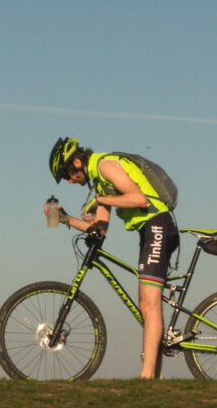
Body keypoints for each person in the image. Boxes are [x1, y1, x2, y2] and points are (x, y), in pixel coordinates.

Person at [47, 137, 179, 379]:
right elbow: (100, 229)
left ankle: (147, 377)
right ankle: (153, 377)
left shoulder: (105, 166)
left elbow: (138, 199)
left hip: (158, 225)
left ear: (77, 161)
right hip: (148, 230)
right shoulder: (100, 184)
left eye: (67, 172)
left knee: (149, 302)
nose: (68, 180)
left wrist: (100, 200)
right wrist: (64, 218)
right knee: (146, 304)